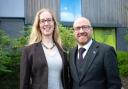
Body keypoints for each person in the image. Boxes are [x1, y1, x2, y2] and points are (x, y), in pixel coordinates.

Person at [20, 8, 69, 89]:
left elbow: (66, 79)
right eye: (42, 21)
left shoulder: (62, 49)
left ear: (54, 24)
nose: (46, 23)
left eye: (49, 20)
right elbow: (24, 83)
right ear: (38, 25)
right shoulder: (28, 51)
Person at [69, 17, 122, 89]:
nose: (81, 31)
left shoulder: (106, 51)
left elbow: (115, 84)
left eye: (85, 27)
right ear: (73, 32)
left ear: (91, 30)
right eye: (77, 28)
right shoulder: (71, 53)